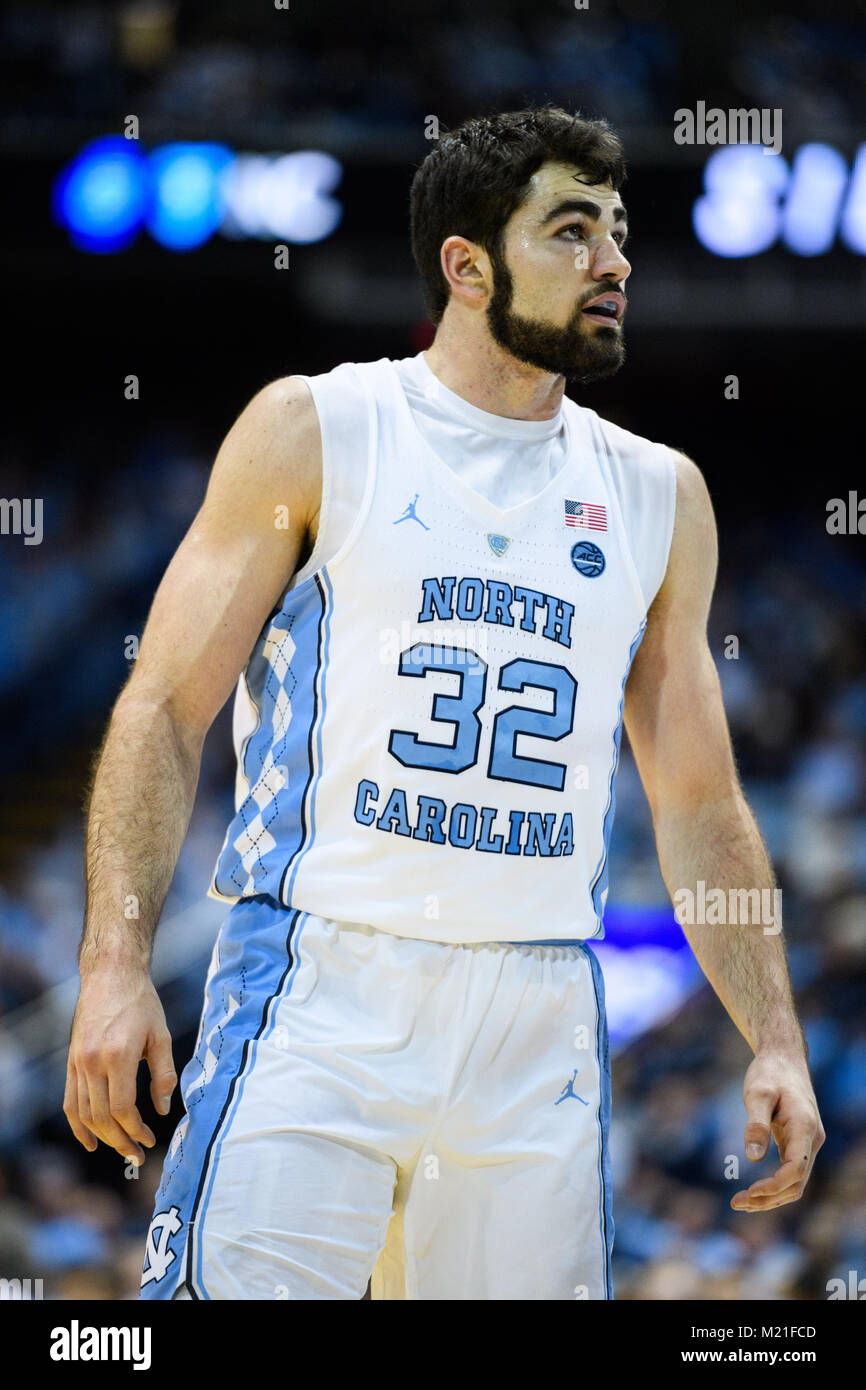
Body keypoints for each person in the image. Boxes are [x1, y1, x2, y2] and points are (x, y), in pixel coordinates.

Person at [64, 107, 824, 1300]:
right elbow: (162, 708)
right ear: (466, 266)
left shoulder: (659, 494)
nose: (612, 262)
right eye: (571, 232)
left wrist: (772, 1031)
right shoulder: (315, 427)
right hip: (321, 982)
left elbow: (698, 800)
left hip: (537, 1020)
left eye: (616, 234)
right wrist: (114, 963)